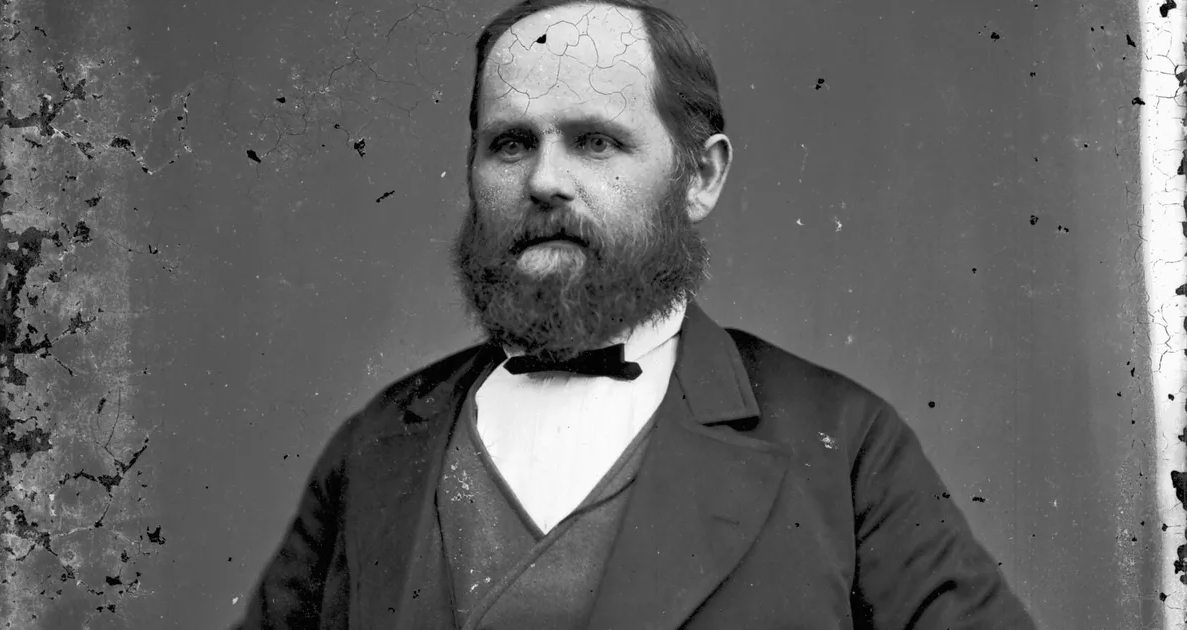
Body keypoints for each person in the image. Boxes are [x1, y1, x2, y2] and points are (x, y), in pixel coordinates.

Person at [235, 1, 1039, 628]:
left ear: (700, 177)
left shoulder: (841, 440)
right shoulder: (379, 444)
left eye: (595, 142)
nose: (545, 180)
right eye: (511, 144)